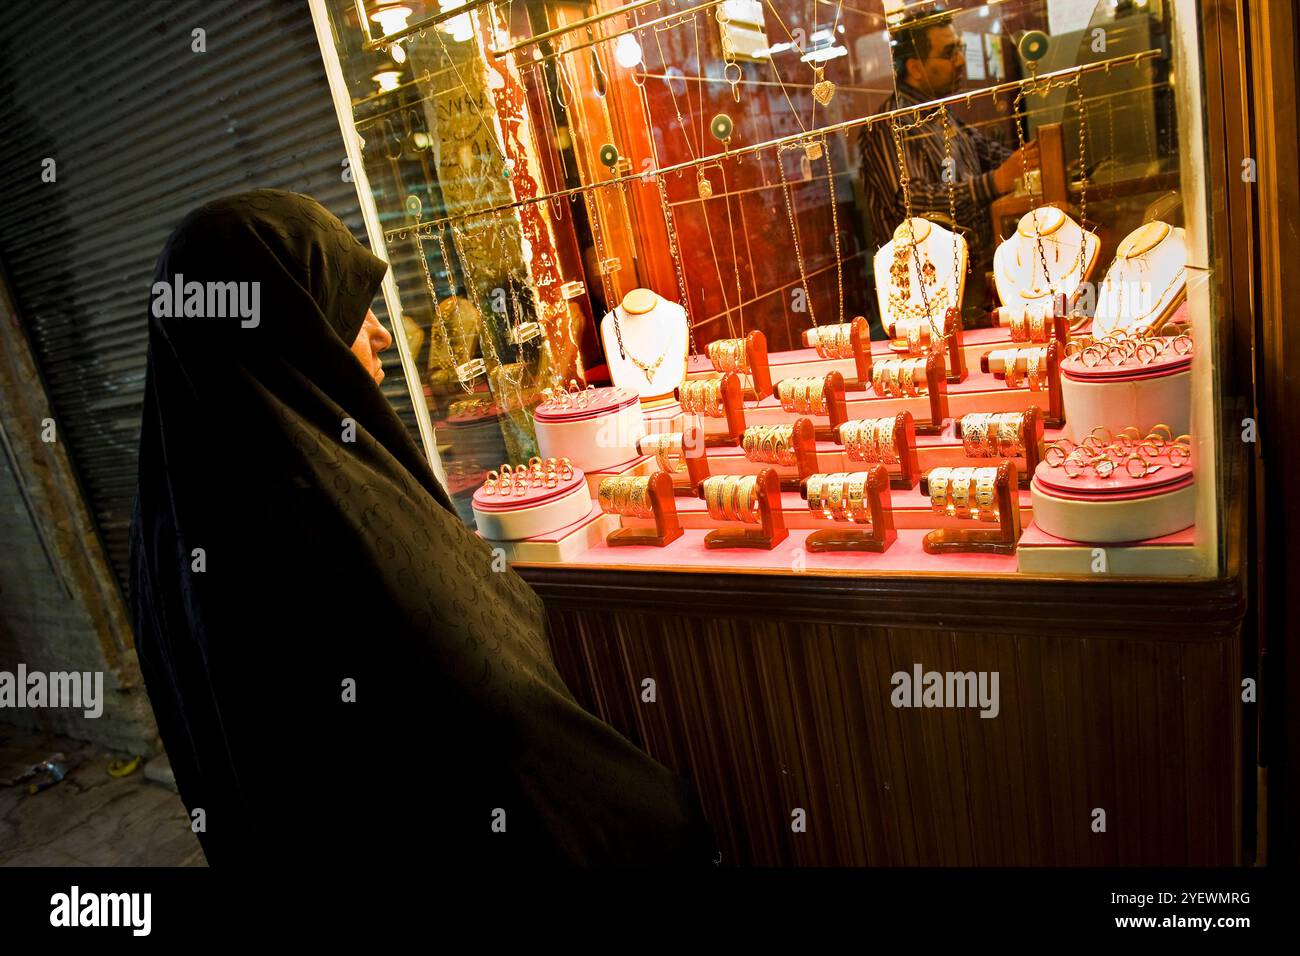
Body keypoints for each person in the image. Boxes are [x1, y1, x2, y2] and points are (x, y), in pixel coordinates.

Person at [128, 188, 716, 866]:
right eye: (346, 310)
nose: (379, 332)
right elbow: (497, 728)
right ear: (286, 328)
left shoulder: (181, 513)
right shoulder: (321, 512)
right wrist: (660, 816)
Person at [859, 4, 1039, 317]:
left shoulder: (939, 114)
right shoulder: (891, 124)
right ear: (915, 68)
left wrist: (1031, 158)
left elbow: (982, 149)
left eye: (959, 50)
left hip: (966, 279)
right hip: (925, 292)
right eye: (948, 53)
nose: (959, 61)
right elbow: (910, 203)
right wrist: (994, 182)